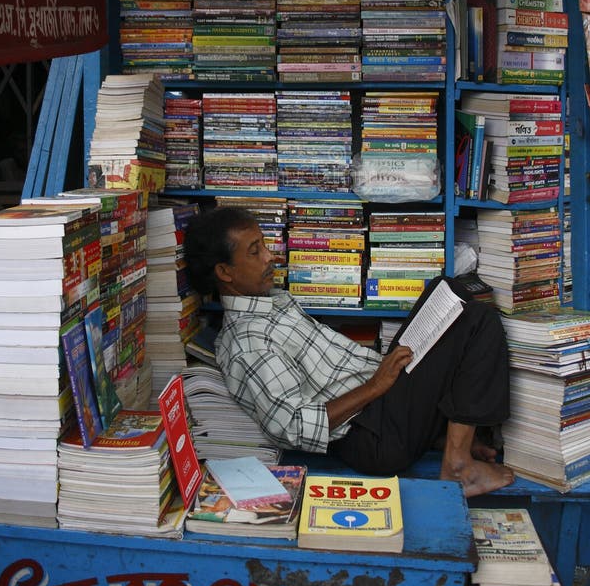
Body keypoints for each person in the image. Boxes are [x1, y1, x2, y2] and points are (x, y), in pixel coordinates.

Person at [184, 206, 514, 498]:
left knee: (449, 292)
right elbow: (294, 426)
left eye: (264, 246)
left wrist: (380, 380)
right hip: (371, 436)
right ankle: (458, 466)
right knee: (478, 320)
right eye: (255, 252)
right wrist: (375, 386)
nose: (269, 257)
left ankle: (444, 437)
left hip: (379, 399)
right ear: (225, 272)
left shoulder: (270, 301)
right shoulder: (247, 343)